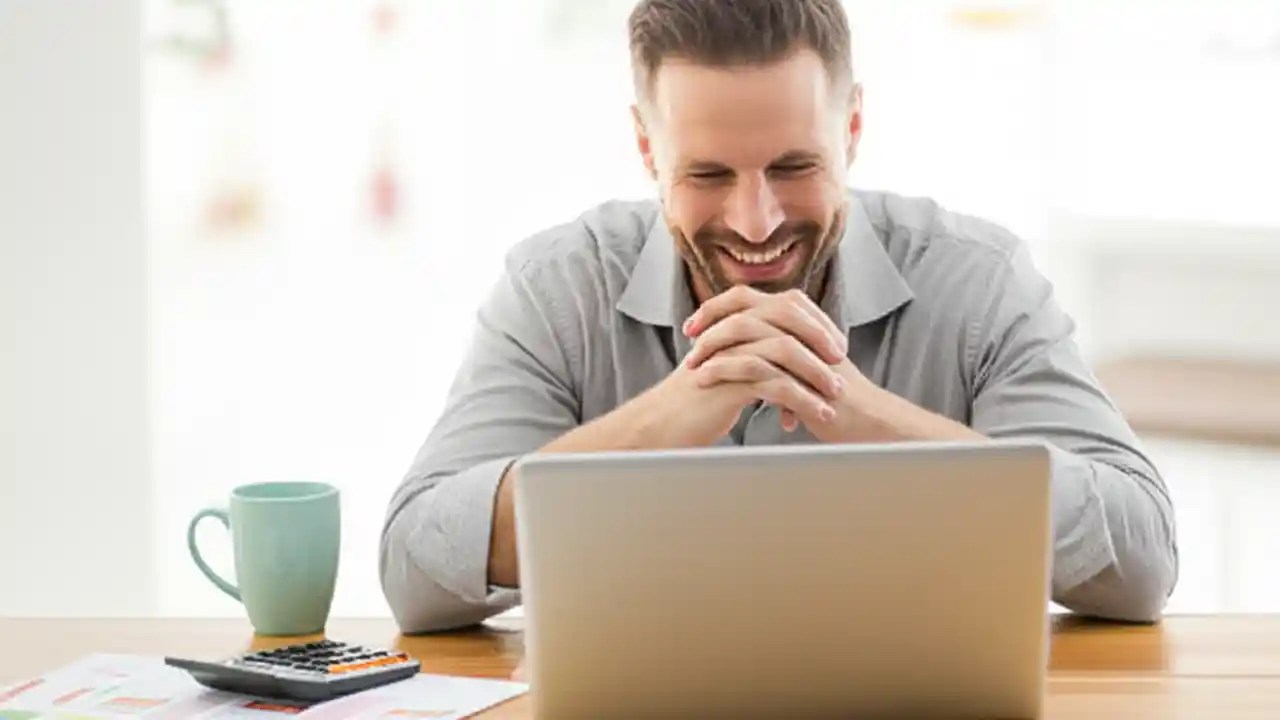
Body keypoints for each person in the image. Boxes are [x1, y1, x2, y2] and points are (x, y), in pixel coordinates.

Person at [380, 0, 1177, 633]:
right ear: (647, 149)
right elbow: (416, 566)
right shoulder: (559, 289)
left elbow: (1140, 557)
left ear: (853, 128)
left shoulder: (978, 282)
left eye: (794, 167)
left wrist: (850, 408)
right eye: (707, 173)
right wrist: (675, 414)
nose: (755, 221)